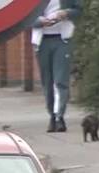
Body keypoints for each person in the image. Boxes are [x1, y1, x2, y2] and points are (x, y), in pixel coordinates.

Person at [31, 0, 82, 133]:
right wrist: (40, 22)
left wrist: (66, 13)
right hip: (41, 41)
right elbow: (24, 19)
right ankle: (52, 116)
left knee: (60, 80)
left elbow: (78, 10)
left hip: (62, 39)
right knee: (47, 82)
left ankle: (60, 116)